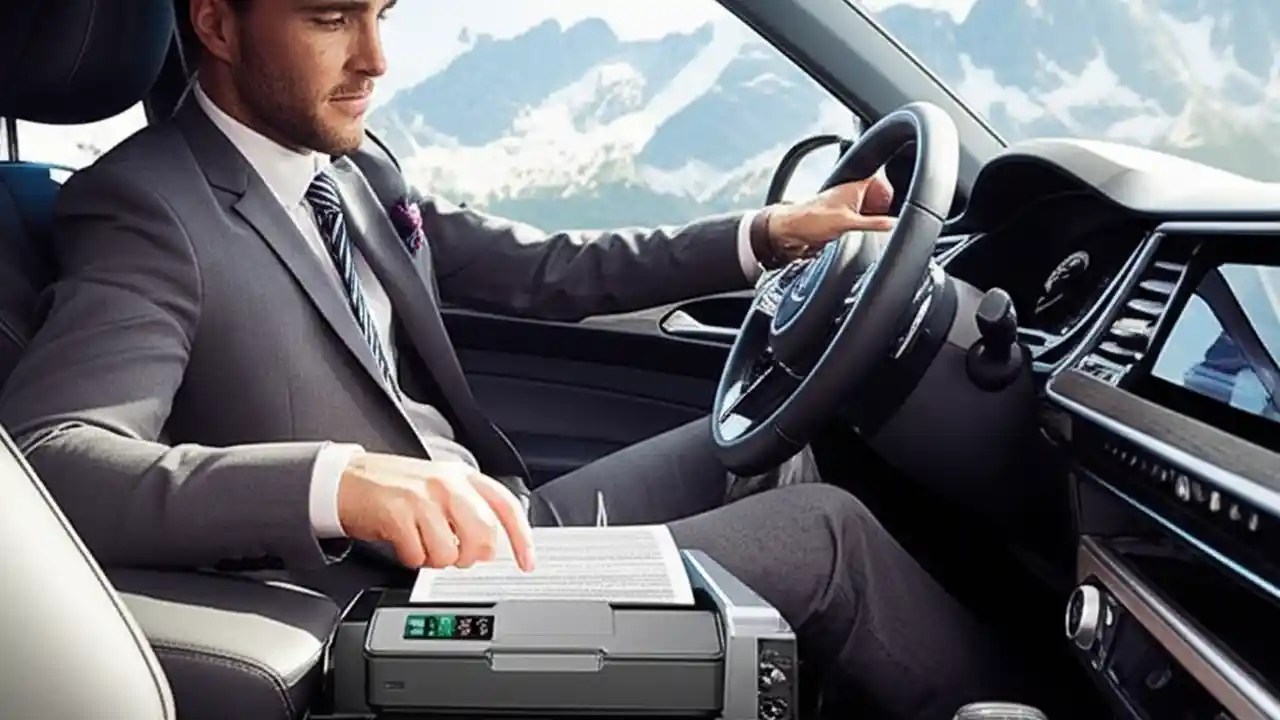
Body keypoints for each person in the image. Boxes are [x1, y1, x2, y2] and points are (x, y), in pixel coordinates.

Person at [0, 0, 1021, 716]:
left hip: (509, 525)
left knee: (777, 444)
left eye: (382, 14)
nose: (374, 60)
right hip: (403, 597)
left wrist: (765, 234)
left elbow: (545, 269)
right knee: (829, 536)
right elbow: (50, 461)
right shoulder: (144, 206)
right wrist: (333, 483)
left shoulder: (344, 167)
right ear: (217, 24)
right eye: (328, 18)